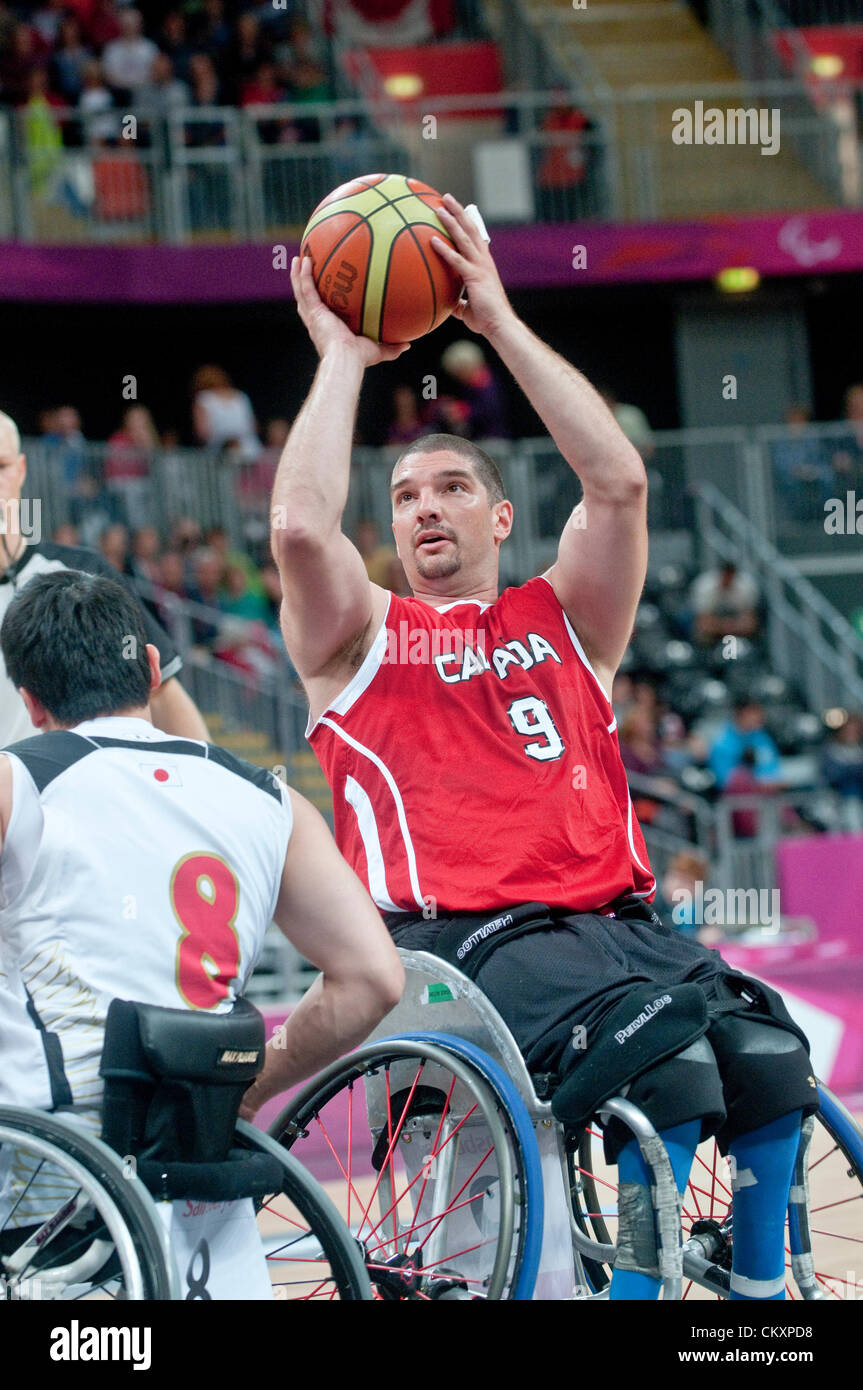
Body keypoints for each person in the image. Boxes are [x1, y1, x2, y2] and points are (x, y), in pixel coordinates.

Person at [270, 194, 819, 1302]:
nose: (426, 508)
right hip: (457, 946)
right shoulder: (357, 638)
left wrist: (499, 316)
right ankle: (642, 1299)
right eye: (405, 495)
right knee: (665, 1067)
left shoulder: (565, 617)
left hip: (608, 929)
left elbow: (616, 481)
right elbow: (296, 528)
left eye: (451, 487)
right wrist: (338, 352)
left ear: (499, 516)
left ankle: (760, 1306)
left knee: (770, 1060)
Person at [0, 569, 404, 1291]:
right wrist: (251, 1086)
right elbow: (373, 978)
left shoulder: (20, 780)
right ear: (154, 671)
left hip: (48, 1191)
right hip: (199, 1164)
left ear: (29, 703)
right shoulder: (269, 798)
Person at [0, 410, 208, 743]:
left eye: (1, 466)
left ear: (22, 469)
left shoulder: (83, 576)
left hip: (68, 790)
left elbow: (162, 693)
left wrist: (208, 786)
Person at [709, 695, 782, 791]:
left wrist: (770, 781)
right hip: (735, 800)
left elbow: (772, 767)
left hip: (767, 796)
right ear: (740, 713)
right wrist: (753, 782)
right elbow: (725, 781)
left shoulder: (762, 737)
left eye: (759, 712)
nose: (759, 716)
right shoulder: (722, 743)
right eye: (753, 712)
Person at [689, 560, 760, 646]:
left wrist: (732, 626)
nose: (727, 580)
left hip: (736, 626)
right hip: (715, 626)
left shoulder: (747, 587)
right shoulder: (704, 586)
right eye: (725, 576)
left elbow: (750, 620)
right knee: (701, 633)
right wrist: (723, 626)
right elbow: (702, 621)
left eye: (730, 577)